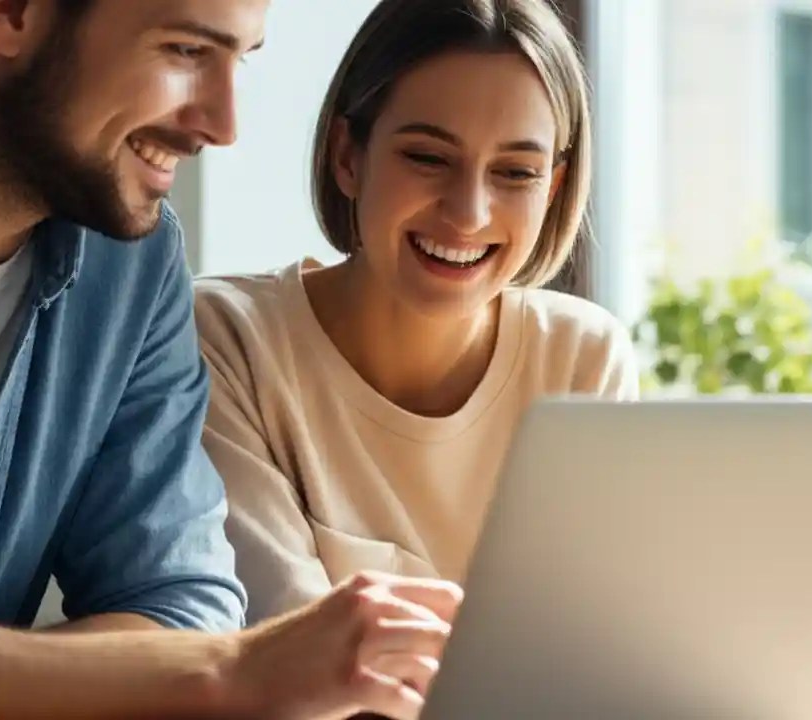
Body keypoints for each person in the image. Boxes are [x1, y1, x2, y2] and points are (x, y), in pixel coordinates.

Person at [0, 1, 459, 718]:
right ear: (10, 9)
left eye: (241, 60)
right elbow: (198, 660)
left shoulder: (130, 266)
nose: (224, 126)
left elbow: (177, 602)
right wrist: (221, 674)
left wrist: (211, 666)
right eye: (187, 51)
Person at [196, 0, 639, 624]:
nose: (468, 214)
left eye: (515, 172)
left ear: (554, 188)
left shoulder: (582, 358)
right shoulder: (226, 338)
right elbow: (294, 652)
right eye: (428, 158)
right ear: (348, 156)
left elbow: (592, 637)